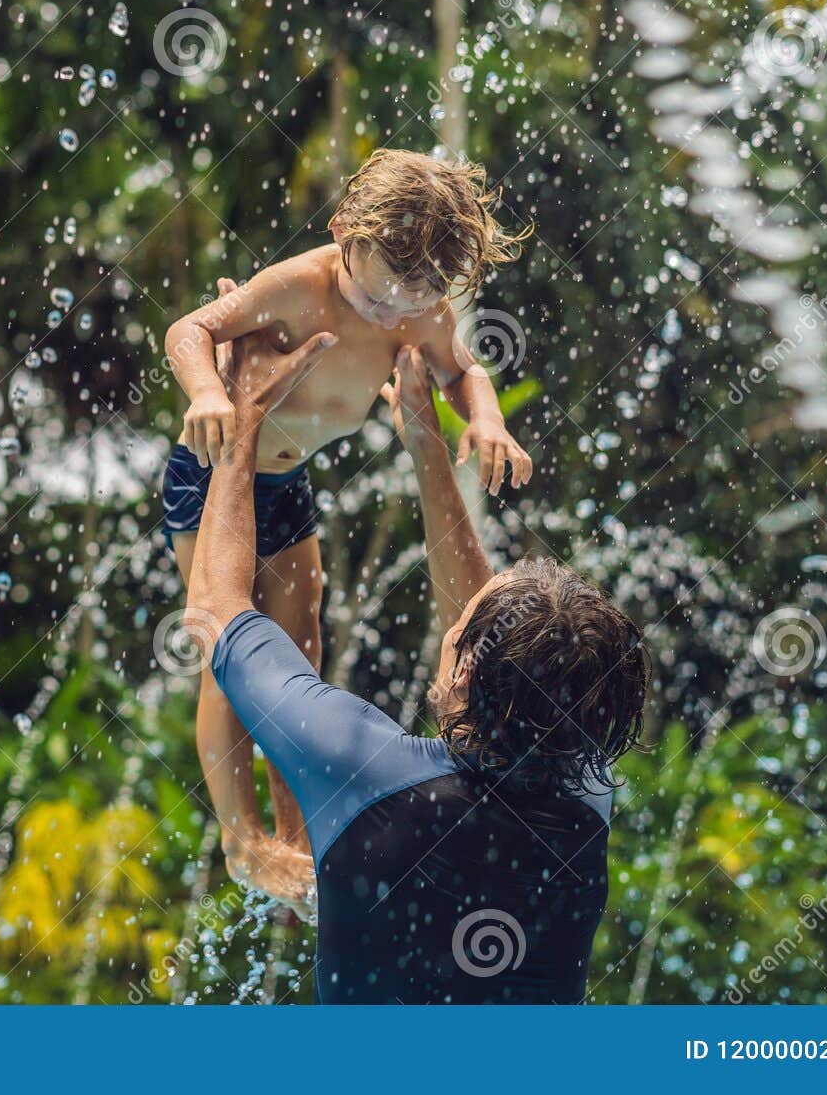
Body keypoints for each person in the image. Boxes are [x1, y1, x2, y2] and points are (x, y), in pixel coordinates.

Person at [186, 331, 649, 1004]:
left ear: (464, 674)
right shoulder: (585, 793)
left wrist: (248, 410)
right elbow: (503, 653)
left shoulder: (359, 766)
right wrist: (426, 441)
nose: (451, 621)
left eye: (457, 632)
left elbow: (214, 604)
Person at [160, 149, 534, 902]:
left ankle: (297, 840)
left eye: (414, 300)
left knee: (300, 652)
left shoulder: (420, 310)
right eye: (379, 297)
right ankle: (241, 840)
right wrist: (206, 392)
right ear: (343, 232)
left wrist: (487, 422)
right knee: (228, 650)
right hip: (211, 475)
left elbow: (465, 371)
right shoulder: (299, 286)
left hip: (287, 483)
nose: (394, 316)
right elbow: (190, 327)